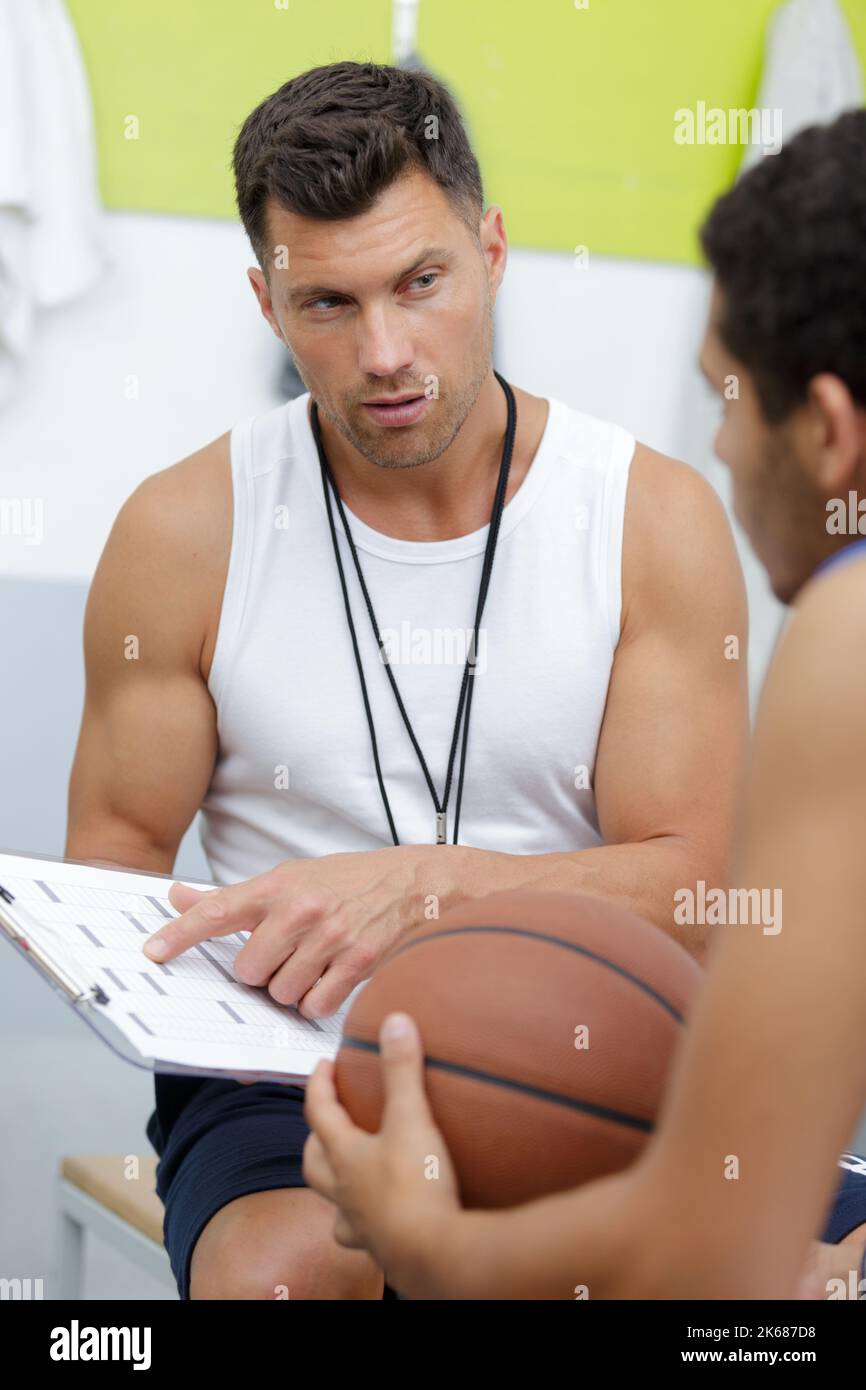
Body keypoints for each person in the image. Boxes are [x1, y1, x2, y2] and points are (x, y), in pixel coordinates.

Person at [66, 61, 749, 1299]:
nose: (385, 353)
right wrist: (244, 990)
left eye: (419, 283)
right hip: (289, 1075)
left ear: (490, 251)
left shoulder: (650, 517)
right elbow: (114, 878)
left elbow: (696, 887)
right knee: (282, 1283)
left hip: (587, 1043)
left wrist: (426, 893)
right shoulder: (181, 530)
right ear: (266, 303)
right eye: (327, 302)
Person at [302, 109, 866, 1300]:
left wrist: (426, 1244)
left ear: (825, 431)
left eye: (724, 396)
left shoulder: (848, 633)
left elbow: (702, 1253)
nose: (714, 444)